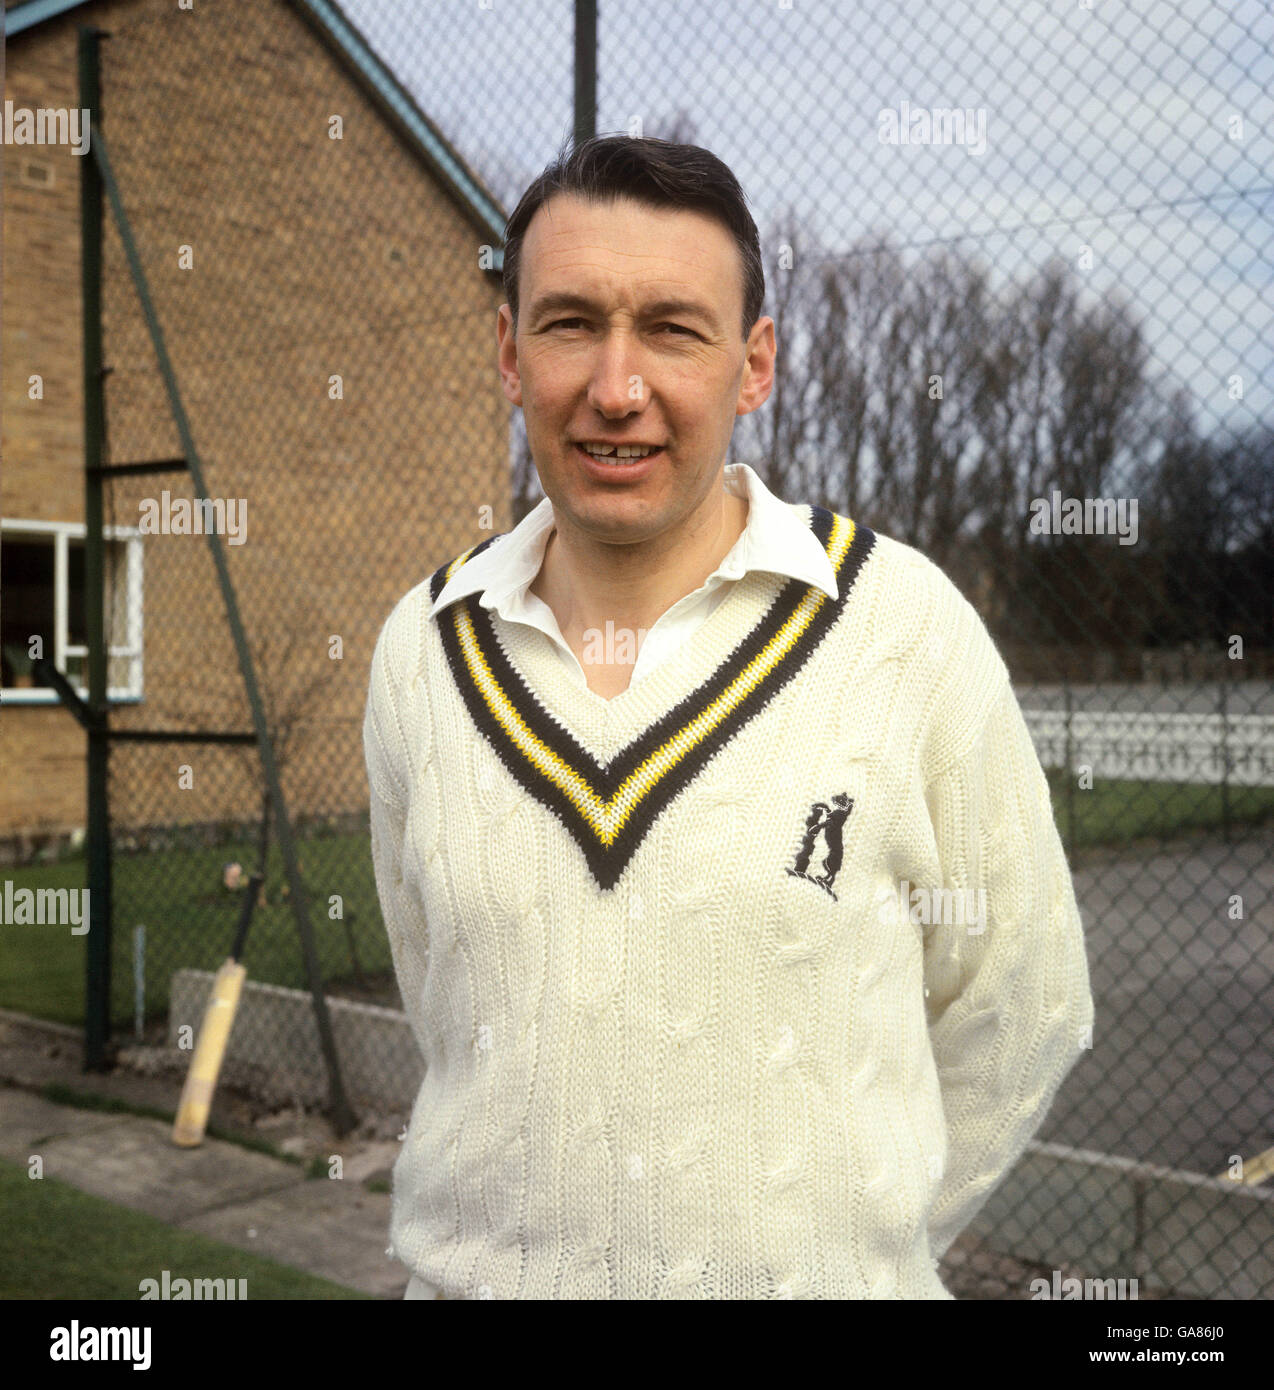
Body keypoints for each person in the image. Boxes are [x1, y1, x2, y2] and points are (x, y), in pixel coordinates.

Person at [365, 134, 1094, 1300]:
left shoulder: (903, 628)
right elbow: (448, 1003)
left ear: (753, 364)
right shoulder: (423, 647)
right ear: (508, 351)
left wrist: (840, 1257)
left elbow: (1024, 1004)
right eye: (567, 324)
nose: (616, 388)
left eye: (671, 328)